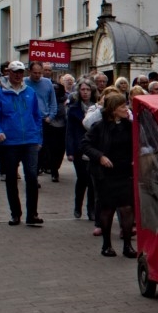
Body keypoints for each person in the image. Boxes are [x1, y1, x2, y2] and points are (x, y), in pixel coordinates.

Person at [0, 61, 45, 226]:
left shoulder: (30, 92)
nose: (18, 75)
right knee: (11, 178)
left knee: (32, 177)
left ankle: (32, 214)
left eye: (20, 72)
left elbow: (37, 116)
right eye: (15, 72)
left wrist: (38, 138)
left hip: (30, 141)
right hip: (9, 142)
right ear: (9, 73)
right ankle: (15, 214)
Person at [83, 91, 135, 257]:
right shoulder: (99, 127)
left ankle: (127, 245)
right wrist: (100, 157)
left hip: (125, 173)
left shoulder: (130, 125)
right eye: (122, 106)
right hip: (105, 174)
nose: (126, 109)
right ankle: (106, 245)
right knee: (108, 208)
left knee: (127, 208)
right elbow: (85, 145)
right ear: (113, 110)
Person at [67, 82, 98, 223]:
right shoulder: (73, 108)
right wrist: (70, 151)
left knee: (92, 180)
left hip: (93, 147)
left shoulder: (97, 108)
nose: (85, 92)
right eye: (82, 89)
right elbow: (69, 131)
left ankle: (91, 209)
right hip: (79, 147)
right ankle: (77, 206)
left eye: (88, 89)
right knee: (82, 178)